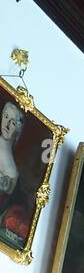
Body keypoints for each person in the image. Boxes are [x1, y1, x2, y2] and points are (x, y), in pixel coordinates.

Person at [0, 100, 31, 249]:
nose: (6, 124)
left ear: (17, 129)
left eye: (12, 122)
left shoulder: (12, 171)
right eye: (6, 117)